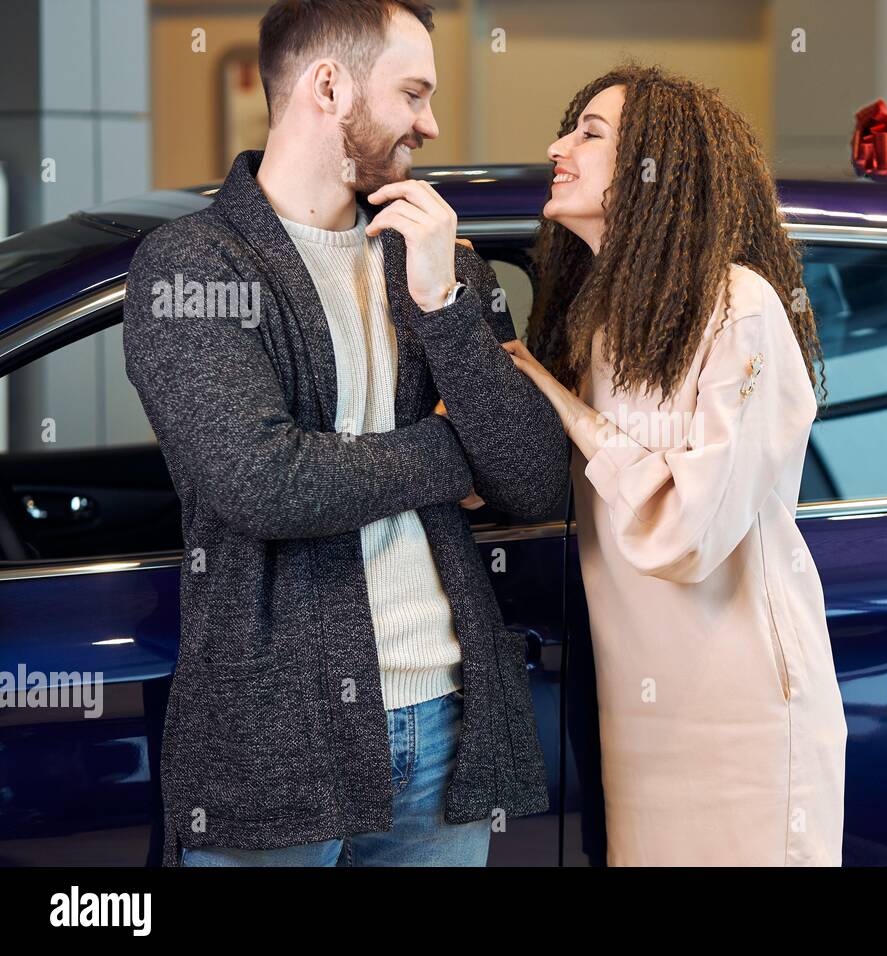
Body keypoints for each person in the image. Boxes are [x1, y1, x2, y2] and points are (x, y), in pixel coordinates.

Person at [122, 0, 568, 867]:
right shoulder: (193, 265)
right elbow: (265, 484)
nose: (430, 125)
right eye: (413, 93)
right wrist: (450, 452)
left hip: (448, 721)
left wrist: (444, 305)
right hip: (276, 739)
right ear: (329, 87)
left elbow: (533, 477)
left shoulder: (438, 259)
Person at [502, 65, 848, 865]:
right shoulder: (598, 325)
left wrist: (561, 405)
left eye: (590, 133)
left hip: (740, 718)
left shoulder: (738, 307)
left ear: (656, 167)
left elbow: (688, 532)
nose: (558, 147)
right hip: (641, 713)